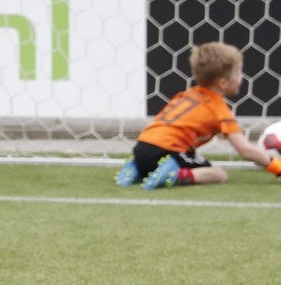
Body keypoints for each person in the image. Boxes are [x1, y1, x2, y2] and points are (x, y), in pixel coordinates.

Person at [116, 42, 281, 189]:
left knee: (174, 158)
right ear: (223, 83)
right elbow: (245, 150)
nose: (241, 78)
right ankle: (175, 175)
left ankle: (137, 168)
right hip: (168, 151)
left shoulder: (185, 95)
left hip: (141, 148)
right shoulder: (220, 109)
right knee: (218, 174)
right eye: (238, 74)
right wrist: (277, 168)